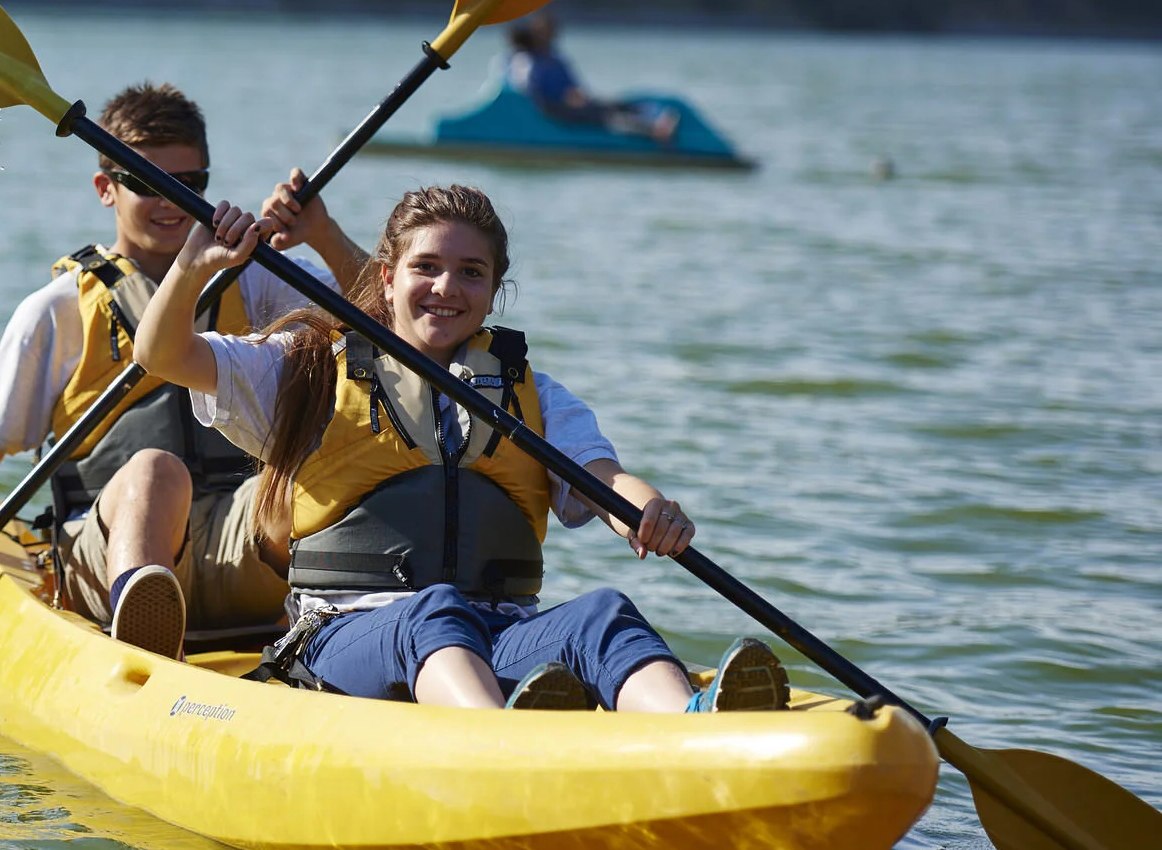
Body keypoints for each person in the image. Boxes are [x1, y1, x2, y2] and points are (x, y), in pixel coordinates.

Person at [132, 183, 789, 712]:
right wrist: (192, 270)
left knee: (601, 613)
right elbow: (161, 354)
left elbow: (605, 480)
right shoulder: (307, 370)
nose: (447, 288)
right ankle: (495, 745)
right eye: (427, 267)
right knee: (433, 610)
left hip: (499, 632)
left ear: (495, 291)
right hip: (346, 637)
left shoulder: (530, 391)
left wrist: (650, 512)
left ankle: (690, 727)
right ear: (385, 279)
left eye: (470, 273)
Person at [0, 81, 368, 661]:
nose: (172, 201)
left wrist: (322, 236)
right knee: (154, 472)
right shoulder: (57, 309)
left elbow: (387, 320)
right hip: (107, 549)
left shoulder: (255, 279)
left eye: (189, 184)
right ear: (106, 189)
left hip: (236, 546)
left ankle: (363, 629)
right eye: (147, 184)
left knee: (307, 475)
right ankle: (141, 637)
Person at [505, 13, 678, 141]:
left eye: (551, 32)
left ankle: (653, 114)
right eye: (545, 32)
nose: (550, 36)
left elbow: (573, 86)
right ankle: (656, 131)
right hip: (555, 110)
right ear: (535, 34)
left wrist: (578, 97)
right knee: (607, 117)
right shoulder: (526, 60)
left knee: (612, 104)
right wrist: (563, 101)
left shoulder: (555, 59)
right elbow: (531, 91)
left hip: (569, 103)